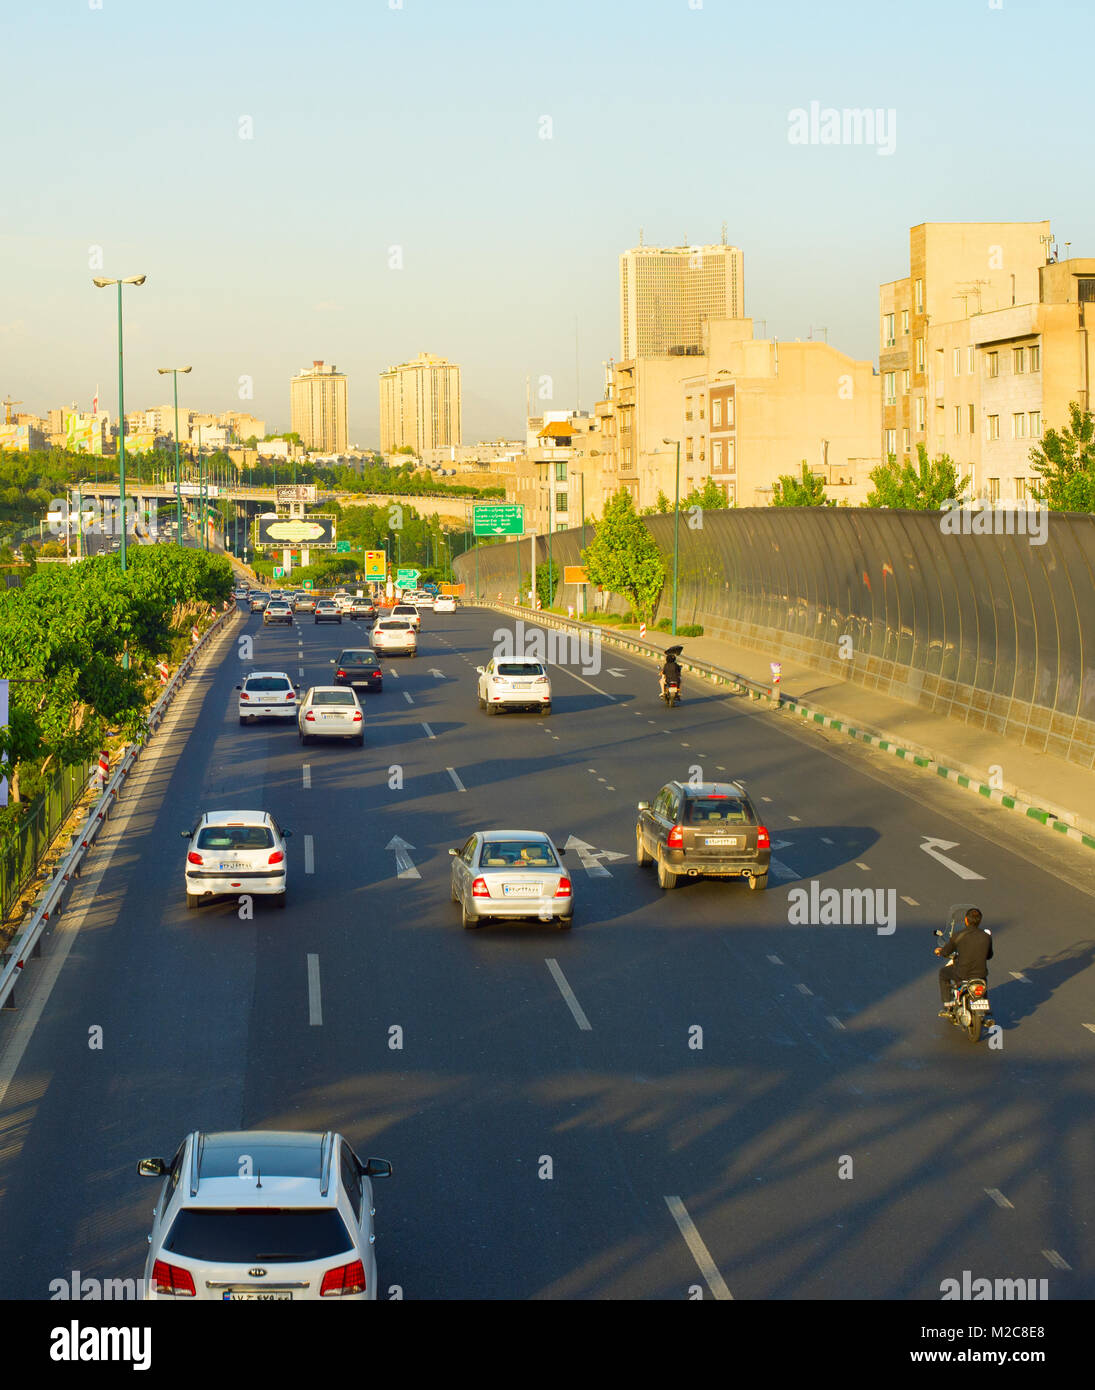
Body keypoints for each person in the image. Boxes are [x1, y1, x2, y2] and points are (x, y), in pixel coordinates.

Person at [935, 906, 993, 1016]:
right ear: (980, 921)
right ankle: (984, 1003)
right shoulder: (986, 937)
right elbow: (989, 955)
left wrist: (940, 951)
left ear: (966, 920)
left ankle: (948, 1004)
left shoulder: (958, 936)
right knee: (983, 980)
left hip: (962, 974)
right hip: (980, 974)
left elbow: (946, 952)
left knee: (943, 973)